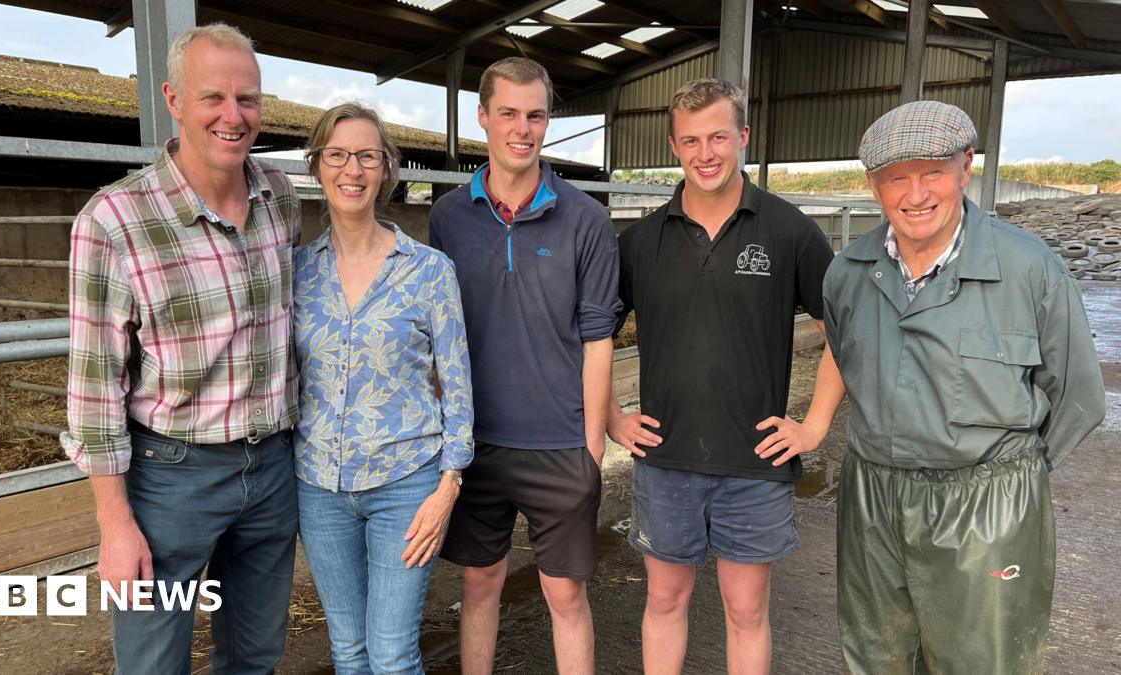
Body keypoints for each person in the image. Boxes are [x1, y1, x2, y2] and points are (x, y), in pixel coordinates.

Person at [823, 100, 1106, 674]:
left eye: (932, 172)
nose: (916, 193)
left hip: (988, 505)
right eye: (895, 178)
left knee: (983, 662)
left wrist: (1010, 478)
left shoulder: (1030, 269)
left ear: (965, 168)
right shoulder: (847, 272)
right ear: (874, 186)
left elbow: (1078, 396)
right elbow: (846, 356)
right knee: (877, 655)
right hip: (873, 500)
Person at [62, 23, 301, 673]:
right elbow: (93, 386)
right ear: (173, 99)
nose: (234, 116)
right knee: (153, 661)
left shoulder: (280, 198)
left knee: (254, 656)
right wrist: (115, 523)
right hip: (170, 476)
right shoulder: (115, 221)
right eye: (213, 98)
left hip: (272, 465)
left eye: (247, 99)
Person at [606, 78, 843, 675]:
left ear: (742, 135)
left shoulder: (789, 232)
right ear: (673, 145)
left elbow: (844, 328)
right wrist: (612, 416)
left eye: (718, 136)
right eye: (691, 140)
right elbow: (591, 336)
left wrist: (813, 426)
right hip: (666, 458)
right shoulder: (639, 242)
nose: (705, 153)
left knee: (747, 610)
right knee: (664, 600)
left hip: (755, 460)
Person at [429, 57, 621, 675]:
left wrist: (591, 449)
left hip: (559, 442)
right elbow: (435, 332)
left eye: (535, 115)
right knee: (481, 582)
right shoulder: (449, 217)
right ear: (482, 118)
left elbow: (598, 339)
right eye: (507, 113)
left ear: (547, 121)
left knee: (565, 594)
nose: (522, 128)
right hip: (475, 443)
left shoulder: (586, 219)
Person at [292, 102, 473, 674]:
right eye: (338, 155)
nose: (353, 169)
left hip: (407, 483)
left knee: (392, 654)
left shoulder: (428, 270)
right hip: (319, 485)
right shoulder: (296, 272)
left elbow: (459, 382)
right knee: (348, 650)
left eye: (368, 156)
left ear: (387, 169)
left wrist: (448, 486)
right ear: (318, 166)